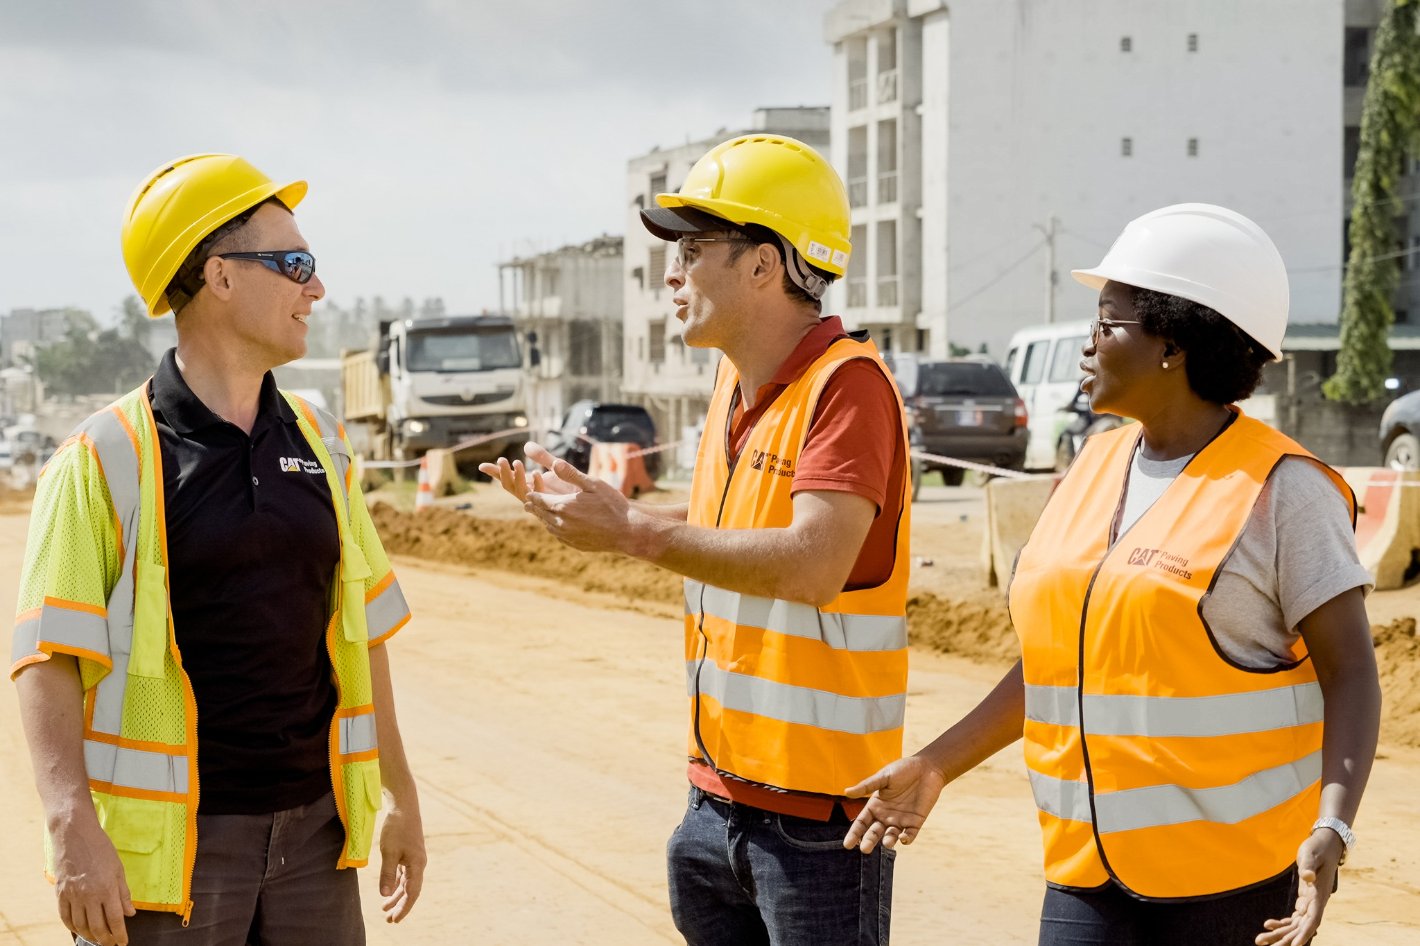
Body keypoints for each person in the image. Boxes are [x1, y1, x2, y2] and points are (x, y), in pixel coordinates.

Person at [842, 203, 1382, 946]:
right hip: (1086, 874)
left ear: (1172, 344)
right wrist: (938, 764)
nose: (1087, 346)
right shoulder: (1092, 464)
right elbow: (1062, 664)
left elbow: (1351, 672)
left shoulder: (1283, 490)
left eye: (1107, 322)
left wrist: (1334, 824)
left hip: (1232, 886)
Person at [481, 134, 912, 945]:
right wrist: (609, 516)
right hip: (716, 797)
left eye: (693, 249)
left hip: (817, 819)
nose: (669, 275)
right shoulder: (734, 384)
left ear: (765, 264)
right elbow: (731, 529)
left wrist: (637, 534)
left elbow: (816, 563)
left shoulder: (847, 387)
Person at [10, 153, 426, 946]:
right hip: (175, 855)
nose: (317, 288)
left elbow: (361, 635)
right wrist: (71, 826)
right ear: (221, 277)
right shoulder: (103, 460)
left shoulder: (322, 443)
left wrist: (401, 796)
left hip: (316, 840)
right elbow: (47, 658)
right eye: (296, 263)